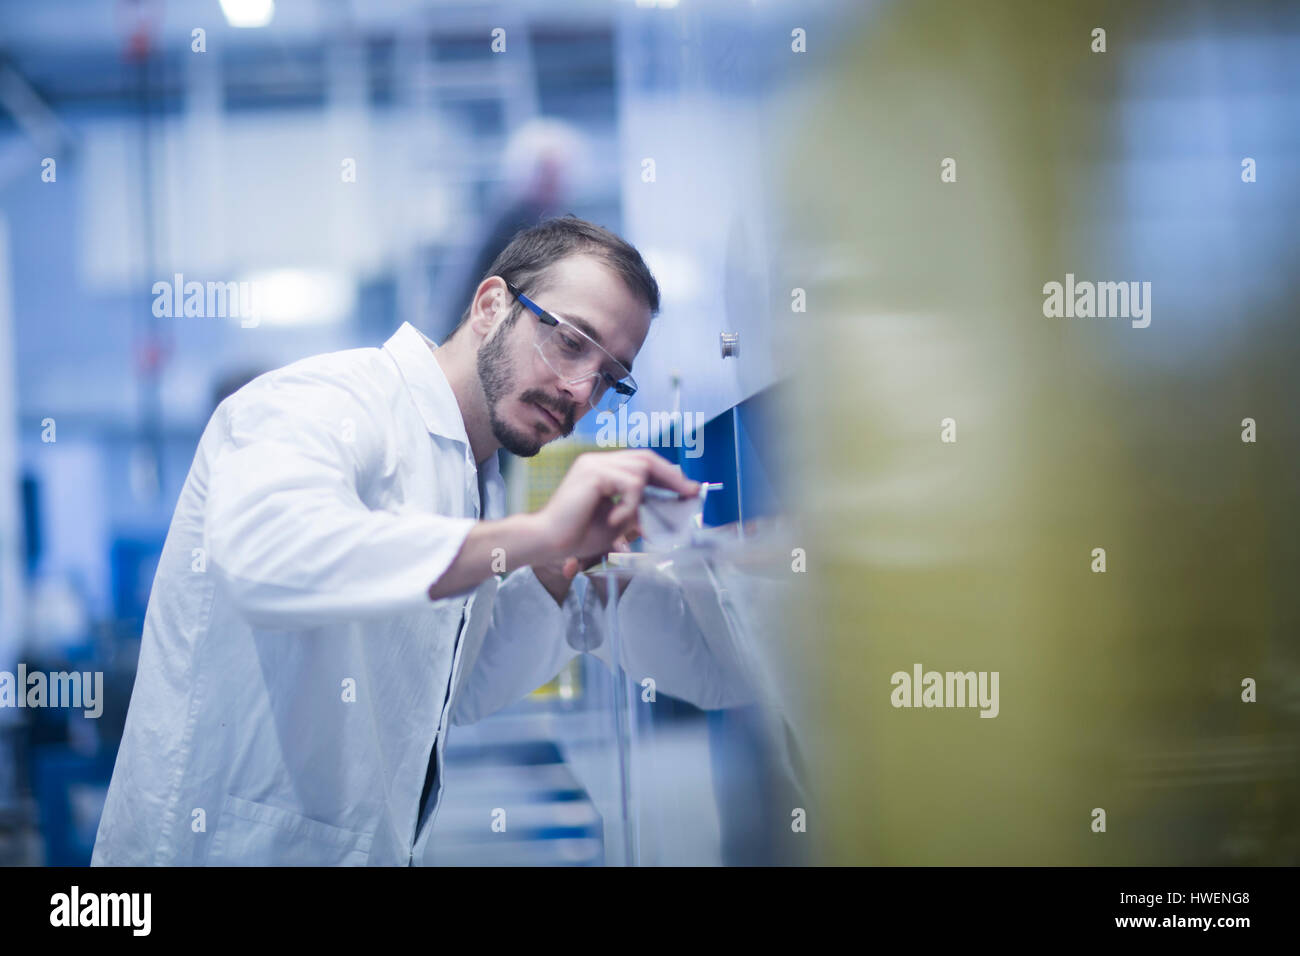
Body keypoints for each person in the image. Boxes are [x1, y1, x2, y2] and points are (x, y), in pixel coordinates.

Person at [90, 216, 699, 866]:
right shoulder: (321, 402)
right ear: (491, 306)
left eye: (611, 377)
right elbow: (266, 561)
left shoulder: (473, 478)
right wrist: (536, 532)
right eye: (573, 342)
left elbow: (446, 687)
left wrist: (551, 574)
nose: (582, 392)